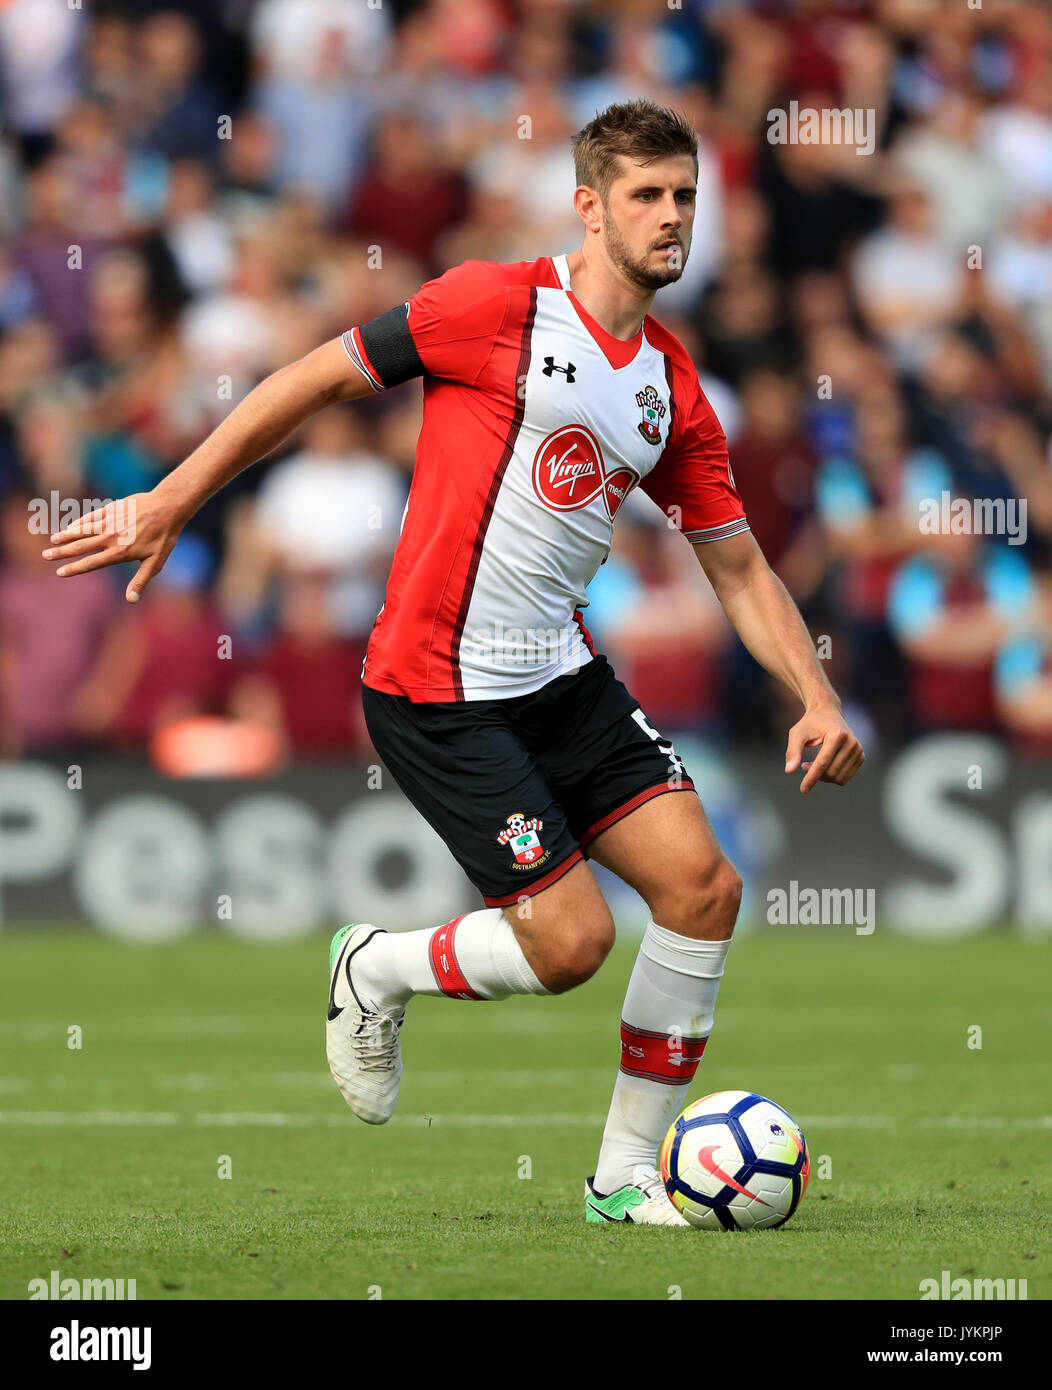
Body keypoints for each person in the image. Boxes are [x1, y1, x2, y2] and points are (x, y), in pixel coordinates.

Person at [43, 99, 864, 1226]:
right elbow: (316, 377)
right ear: (588, 206)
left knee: (703, 888)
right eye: (645, 196)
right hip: (435, 686)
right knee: (570, 945)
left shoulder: (670, 388)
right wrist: (174, 498)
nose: (671, 217)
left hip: (560, 675)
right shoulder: (492, 304)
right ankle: (373, 966)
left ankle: (621, 1184)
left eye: (683, 196)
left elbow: (737, 568)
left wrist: (813, 691)